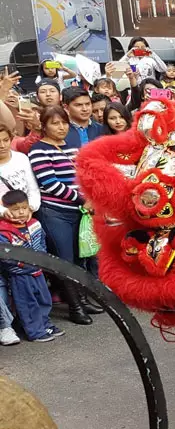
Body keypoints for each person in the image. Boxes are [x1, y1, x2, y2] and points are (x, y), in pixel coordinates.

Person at [28, 106, 92, 325]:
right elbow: (49, 183)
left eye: (63, 122)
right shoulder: (39, 150)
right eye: (55, 123)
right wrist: (82, 199)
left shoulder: (72, 147)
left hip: (77, 212)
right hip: (55, 212)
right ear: (44, 126)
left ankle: (83, 299)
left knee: (79, 257)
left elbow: (81, 176)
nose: (61, 127)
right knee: (65, 260)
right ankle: (75, 307)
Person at [0, 190, 60, 342]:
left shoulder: (35, 224)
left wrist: (42, 261)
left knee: (44, 299)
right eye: (15, 209)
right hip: (19, 274)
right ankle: (35, 331)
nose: (21, 212)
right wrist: (22, 265)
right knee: (27, 303)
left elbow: (42, 244)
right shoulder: (3, 231)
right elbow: (6, 256)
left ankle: (45, 324)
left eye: (24, 208)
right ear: (6, 210)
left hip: (38, 270)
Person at [0, 126, 40, 217]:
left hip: (27, 215)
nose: (2, 145)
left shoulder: (21, 159)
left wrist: (30, 208)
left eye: (6, 140)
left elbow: (33, 189)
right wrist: (4, 212)